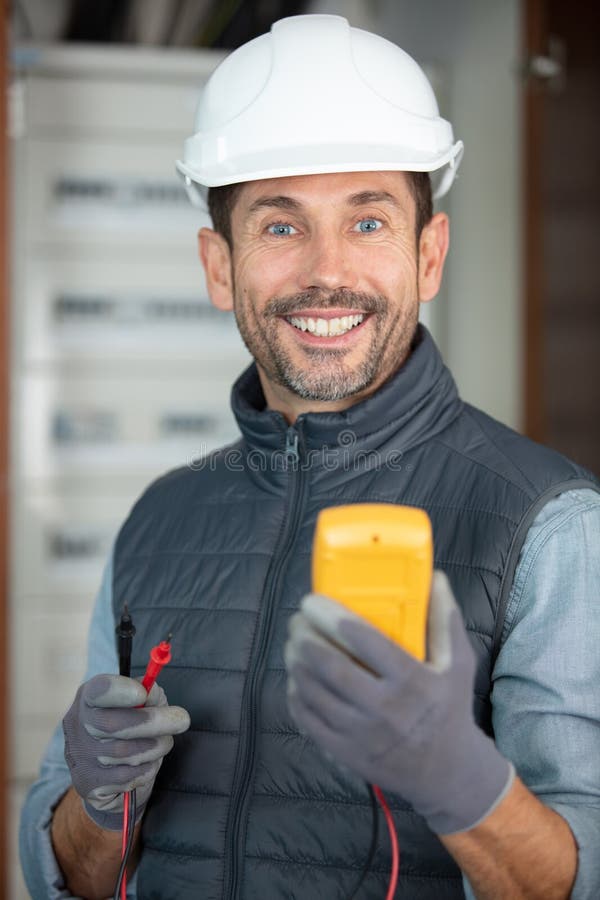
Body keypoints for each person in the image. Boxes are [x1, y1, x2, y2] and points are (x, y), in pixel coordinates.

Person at [19, 14, 600, 900]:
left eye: (368, 220)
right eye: (280, 228)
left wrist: (464, 785)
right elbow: (70, 878)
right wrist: (97, 805)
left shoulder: (550, 526)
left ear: (428, 254)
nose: (328, 273)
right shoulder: (160, 519)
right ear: (220, 267)